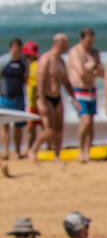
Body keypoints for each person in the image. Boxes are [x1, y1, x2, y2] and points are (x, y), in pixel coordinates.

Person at [34, 33, 74, 164]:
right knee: (50, 129)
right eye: (66, 43)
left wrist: (74, 98)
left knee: (59, 128)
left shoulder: (61, 61)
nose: (67, 46)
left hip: (57, 97)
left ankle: (57, 156)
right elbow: (40, 81)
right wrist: (42, 102)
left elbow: (65, 81)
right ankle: (33, 150)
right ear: (59, 43)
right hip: (45, 97)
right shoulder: (46, 59)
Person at [66, 27, 103, 164]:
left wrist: (92, 68)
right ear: (82, 39)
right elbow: (81, 72)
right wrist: (93, 68)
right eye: (88, 42)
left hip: (91, 89)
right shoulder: (75, 52)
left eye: (91, 41)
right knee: (85, 120)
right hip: (78, 89)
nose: (90, 44)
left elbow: (102, 73)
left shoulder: (94, 53)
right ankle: (80, 149)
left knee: (91, 123)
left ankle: (87, 150)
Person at [1, 38, 29, 177]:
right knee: (4, 126)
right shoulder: (4, 61)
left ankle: (17, 151)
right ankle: (5, 151)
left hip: (19, 97)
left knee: (19, 126)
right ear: (11, 48)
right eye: (15, 49)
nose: (17, 52)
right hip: (5, 97)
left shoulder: (23, 62)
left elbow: (26, 78)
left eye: (20, 49)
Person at [22, 41, 40, 158]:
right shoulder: (26, 64)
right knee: (30, 126)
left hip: (39, 99)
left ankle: (44, 147)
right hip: (31, 100)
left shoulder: (39, 64)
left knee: (43, 124)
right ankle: (29, 148)